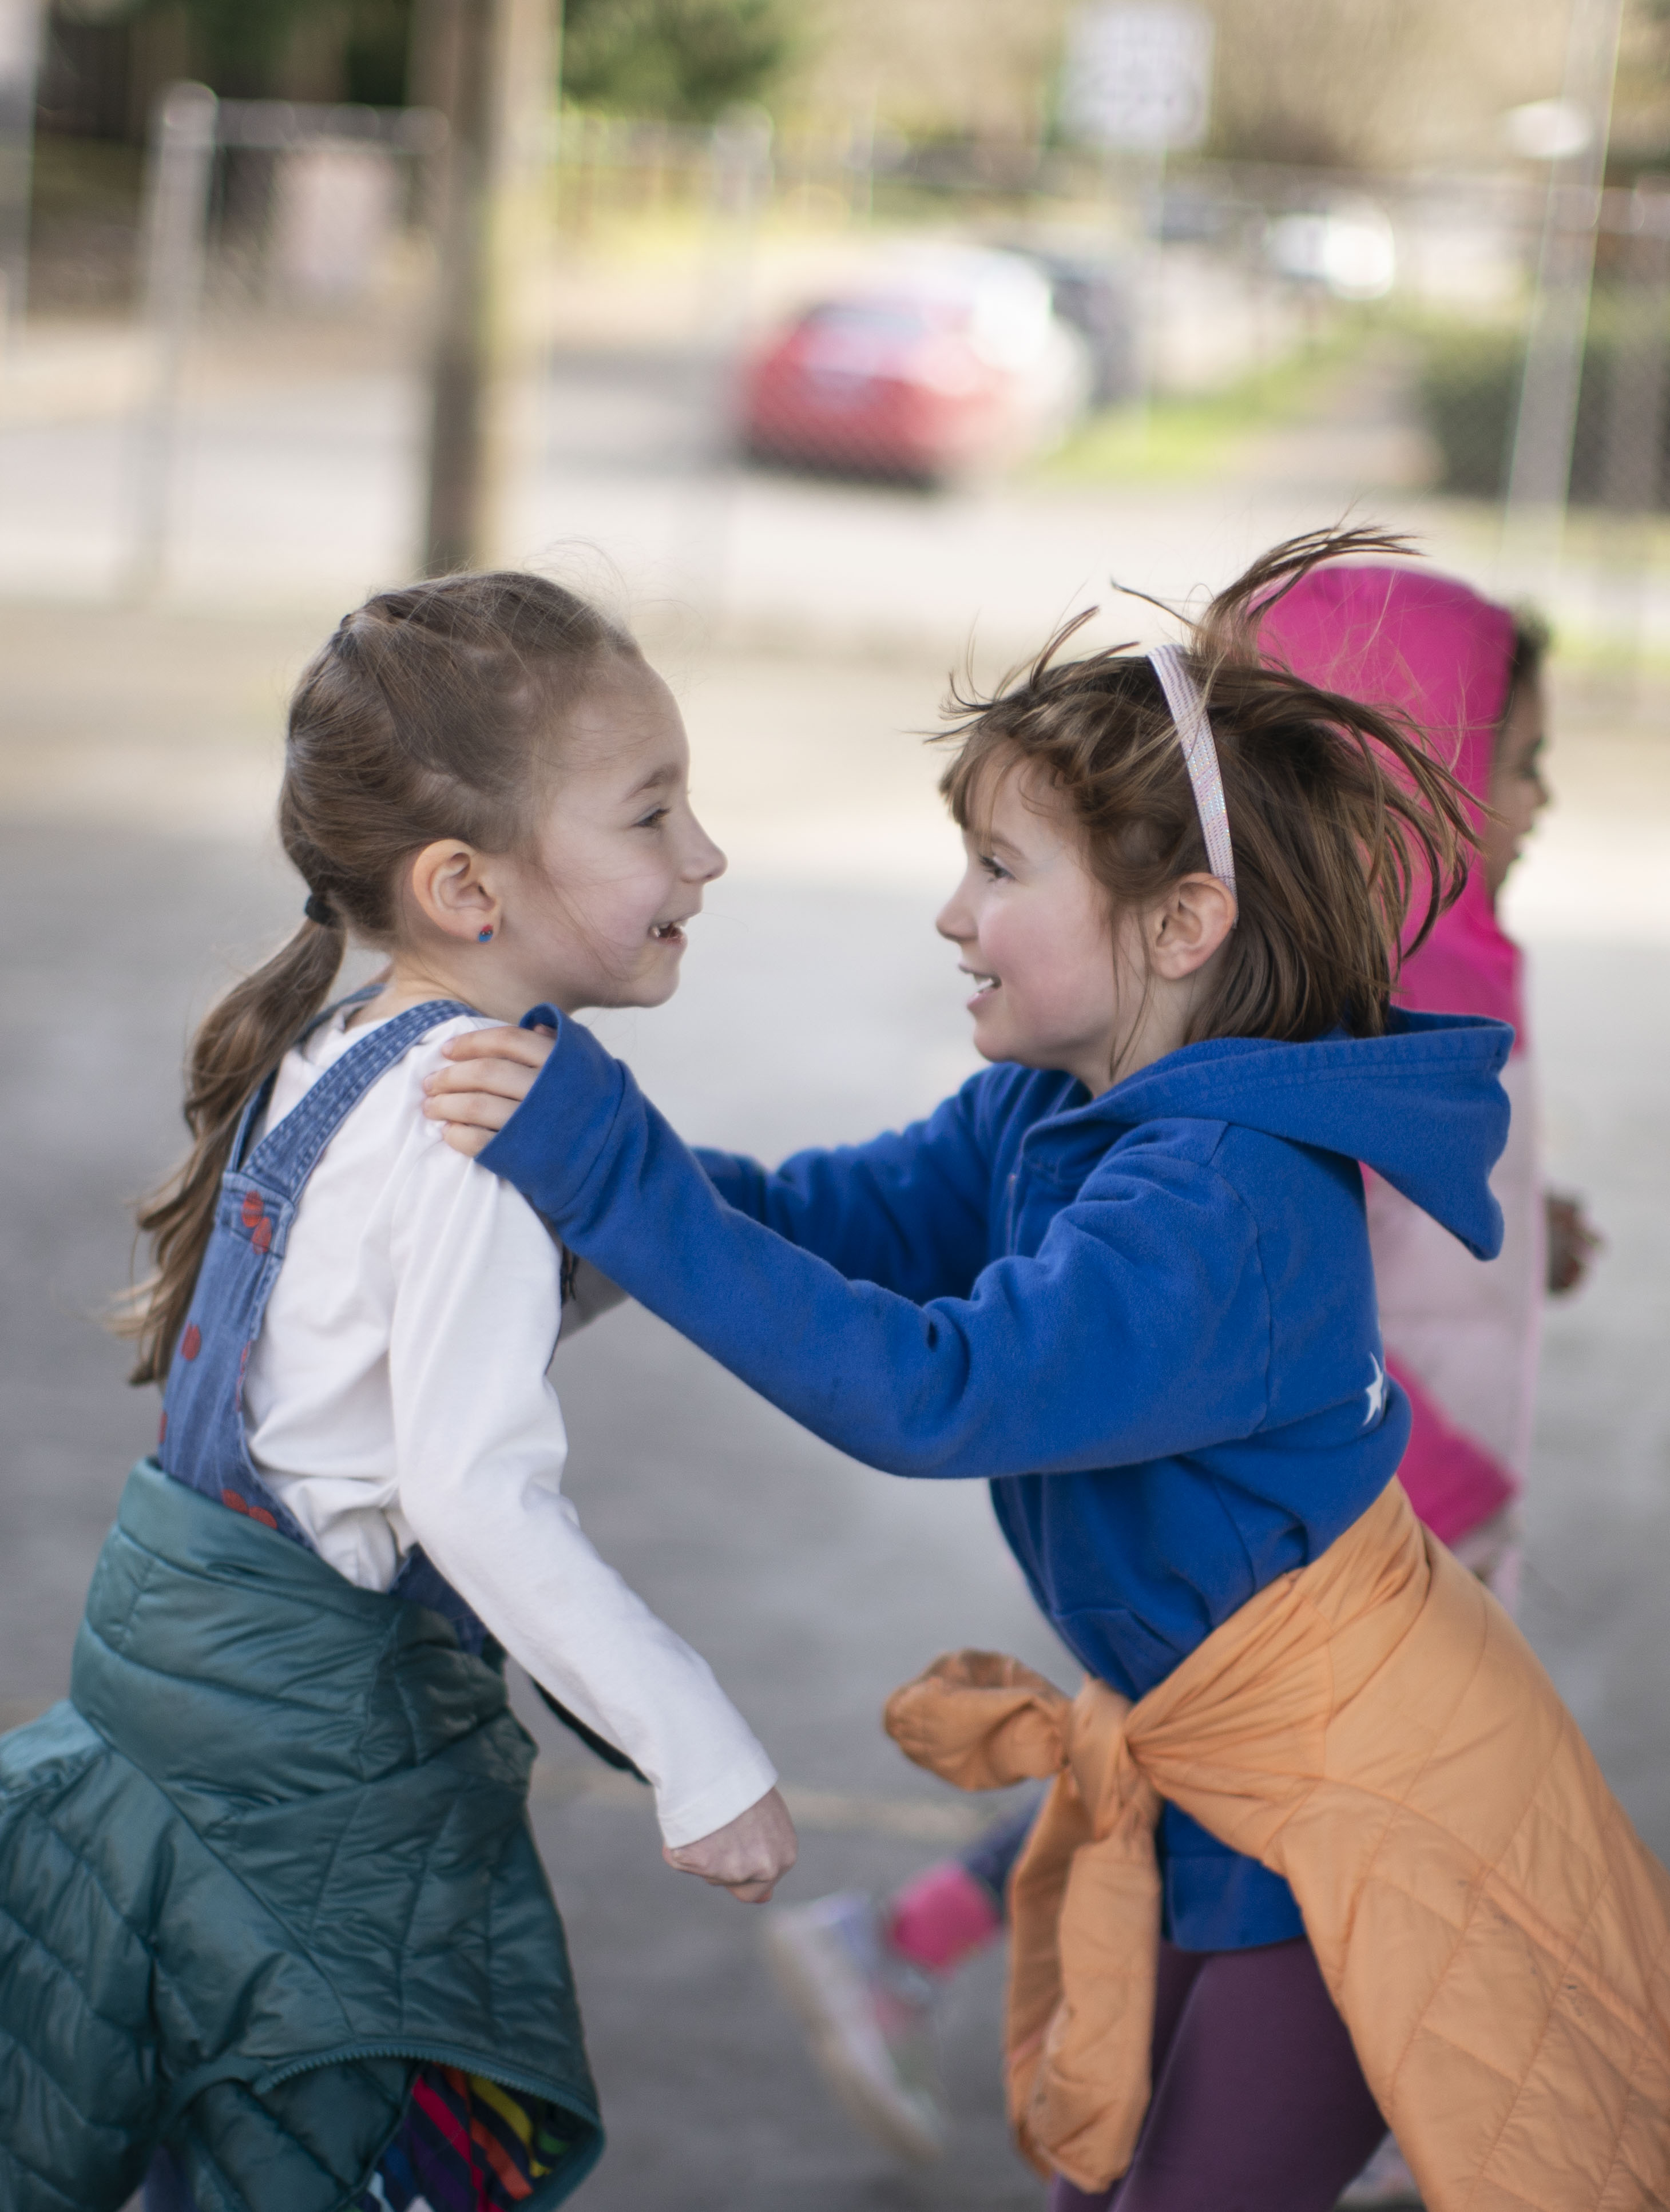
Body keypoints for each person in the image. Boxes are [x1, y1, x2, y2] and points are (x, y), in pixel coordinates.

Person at [421, 527, 1670, 2211]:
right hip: (1214, 1780)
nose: (953, 911)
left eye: (1000, 867)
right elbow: (827, 1217)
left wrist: (618, 1179)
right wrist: (578, 1218)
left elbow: (937, 1391)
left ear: (1182, 921)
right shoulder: (1055, 1101)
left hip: (1364, 1808)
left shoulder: (1228, 1196)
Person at [752, 562, 1604, 2193]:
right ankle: (905, 1935)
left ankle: (905, 1936)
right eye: (1523, 754)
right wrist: (616, 1191)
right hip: (1325, 1595)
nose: (1541, 798)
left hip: (1341, 1656)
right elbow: (976, 1331)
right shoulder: (1345, 998)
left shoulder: (1368, 986)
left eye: (1001, 869)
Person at [0, 572, 795, 2212]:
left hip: (189, 1734)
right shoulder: (472, 1131)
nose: (704, 856)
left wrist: (639, 1231)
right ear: (465, 886)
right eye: (654, 813)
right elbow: (468, 1488)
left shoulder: (351, 1043)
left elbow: (354, 1375)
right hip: (306, 1805)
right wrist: (697, 1747)